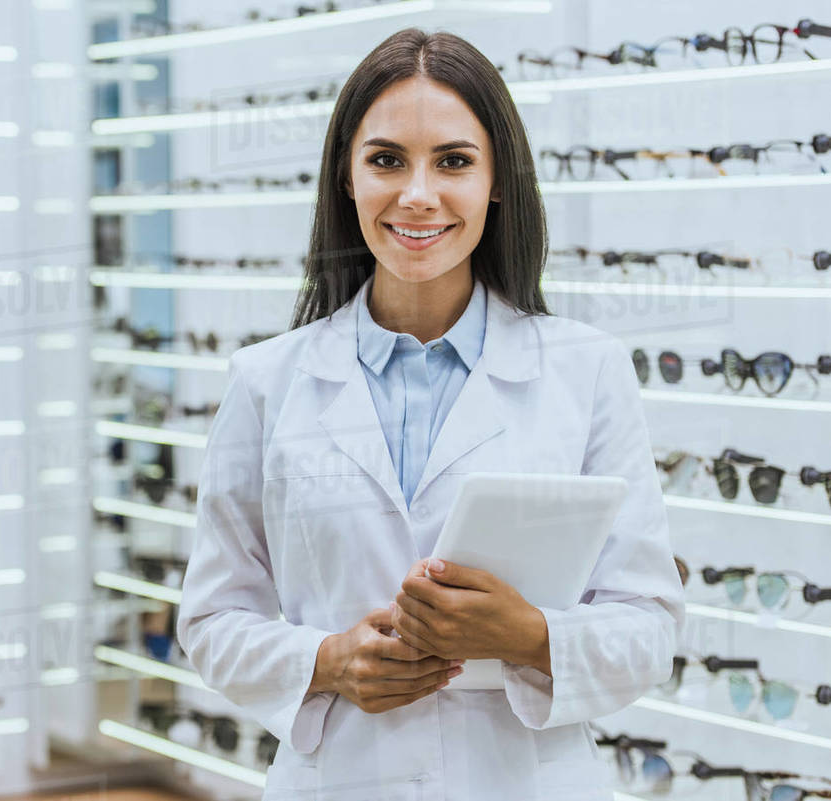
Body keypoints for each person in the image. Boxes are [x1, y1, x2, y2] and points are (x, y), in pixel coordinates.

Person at [176, 27, 685, 801]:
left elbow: (647, 626)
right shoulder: (266, 382)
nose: (418, 194)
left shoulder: (588, 371)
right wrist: (327, 661)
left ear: (497, 180)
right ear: (346, 177)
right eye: (386, 160)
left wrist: (530, 637)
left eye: (453, 161)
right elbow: (213, 619)